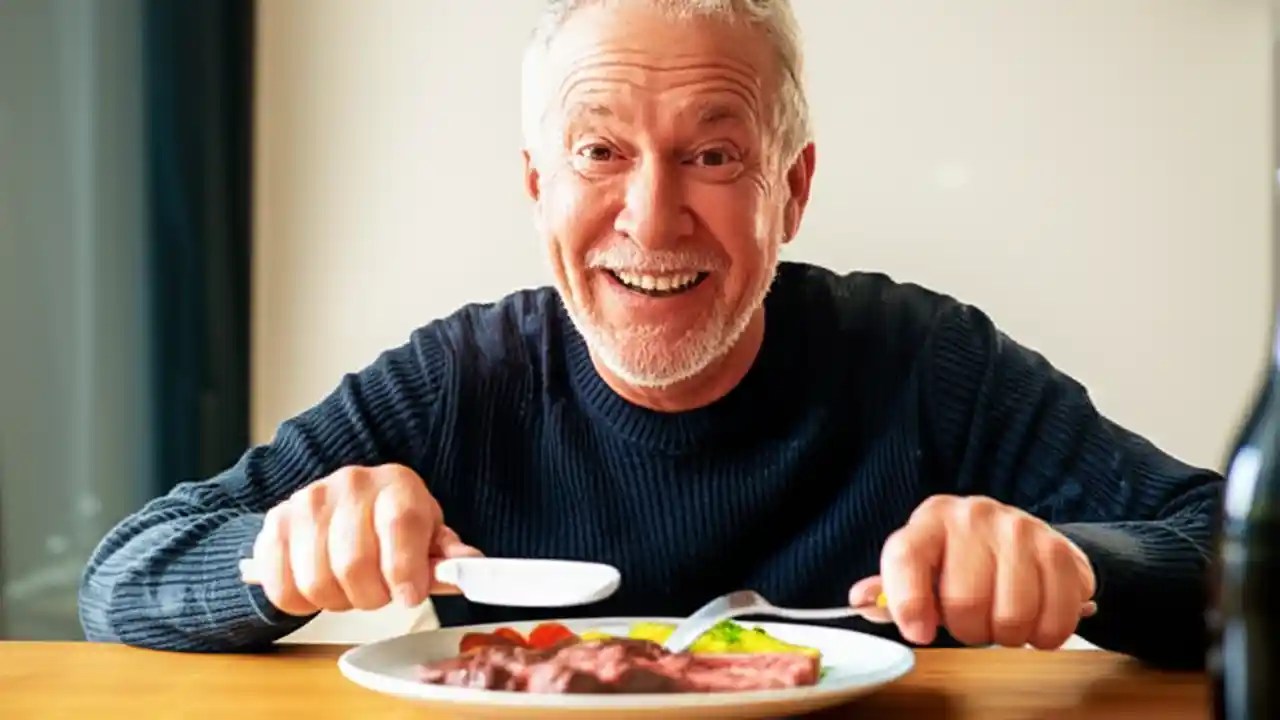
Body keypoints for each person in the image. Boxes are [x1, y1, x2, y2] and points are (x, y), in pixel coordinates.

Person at [78, 0, 1221, 669]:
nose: (651, 216)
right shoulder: (458, 380)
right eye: (599, 152)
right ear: (537, 186)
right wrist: (274, 559)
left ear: (791, 189)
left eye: (713, 156)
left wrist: (1080, 569)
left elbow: (1238, 551)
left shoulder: (924, 363)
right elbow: (121, 578)